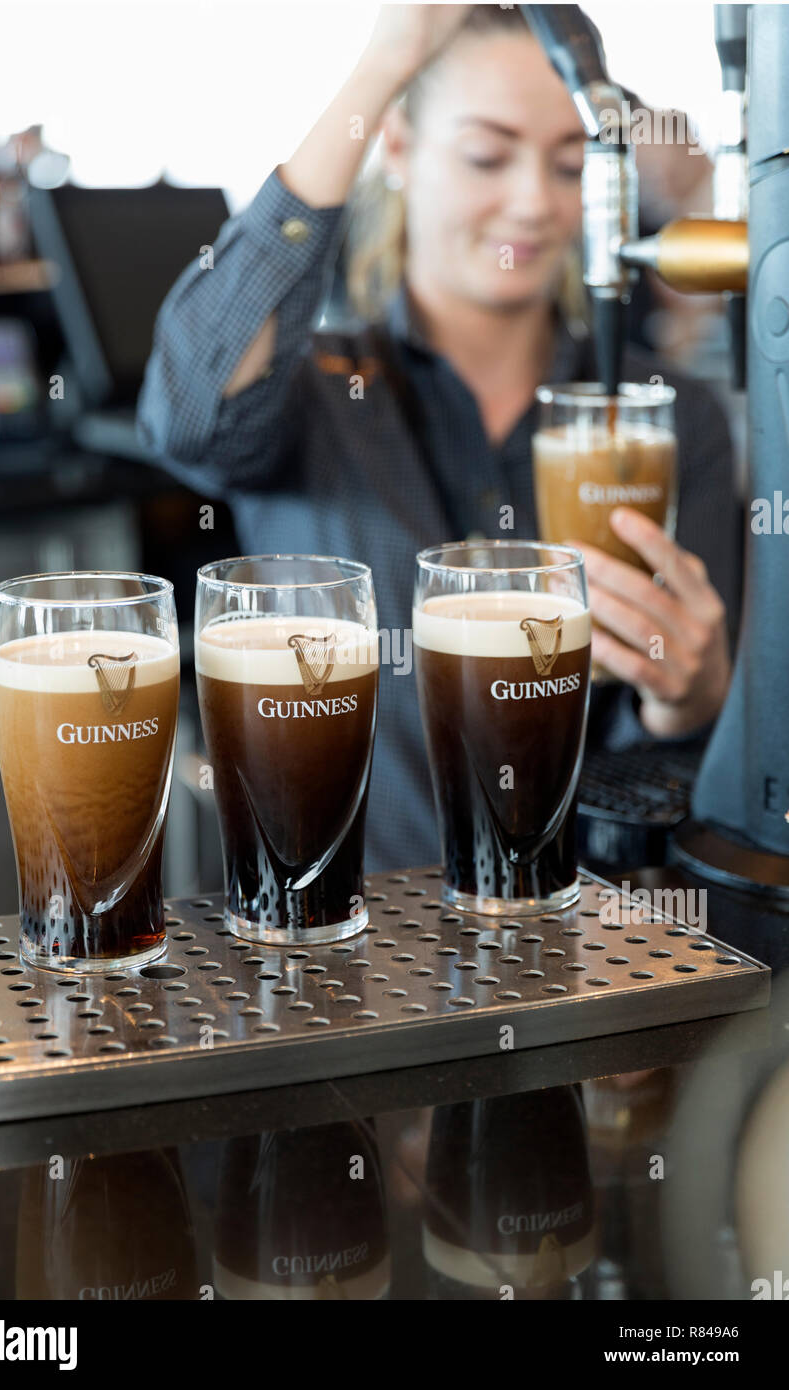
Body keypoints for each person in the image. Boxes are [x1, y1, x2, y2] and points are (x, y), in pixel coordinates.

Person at [138, 4, 740, 872]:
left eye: (570, 165)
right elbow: (190, 413)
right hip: (353, 950)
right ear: (394, 145)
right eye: (486, 155)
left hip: (596, 946)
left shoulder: (667, 412)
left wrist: (692, 694)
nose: (533, 201)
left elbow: (678, 749)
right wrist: (382, 64)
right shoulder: (315, 391)